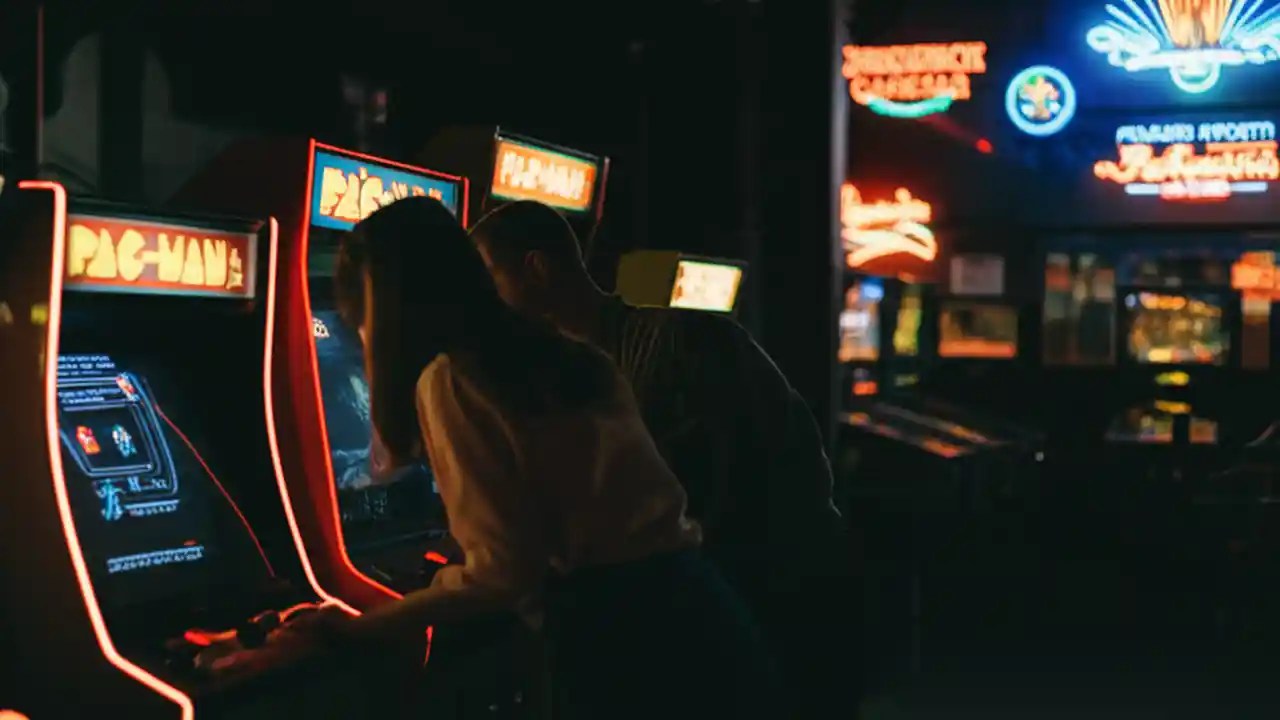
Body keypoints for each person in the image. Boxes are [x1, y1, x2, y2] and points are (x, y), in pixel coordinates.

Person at [290, 197, 777, 719]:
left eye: (359, 321)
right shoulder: (572, 355)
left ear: (387, 314)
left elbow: (504, 573)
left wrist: (358, 629)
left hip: (625, 641)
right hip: (699, 609)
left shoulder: (454, 381)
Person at [470, 200, 859, 718]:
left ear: (536, 270)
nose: (485, 303)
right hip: (748, 604)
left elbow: (690, 506)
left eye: (490, 278)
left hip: (776, 605)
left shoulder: (675, 344)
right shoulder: (588, 366)